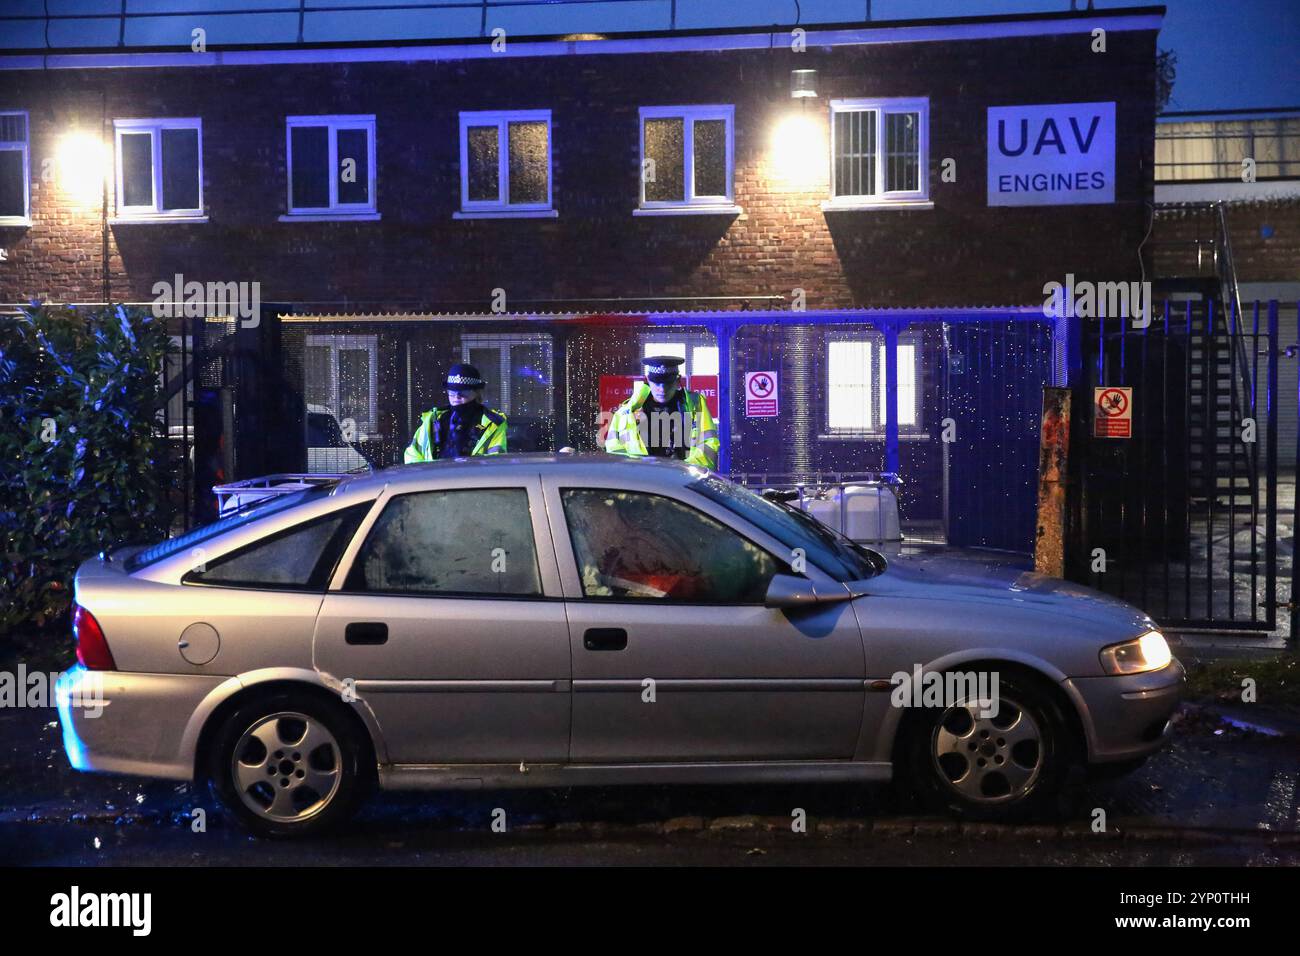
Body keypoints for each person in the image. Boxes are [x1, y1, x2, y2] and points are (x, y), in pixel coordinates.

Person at [604, 355, 719, 469]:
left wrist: (685, 470)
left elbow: (708, 445)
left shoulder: (695, 405)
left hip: (682, 481)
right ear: (648, 379)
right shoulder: (627, 411)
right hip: (641, 482)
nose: (662, 389)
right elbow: (614, 452)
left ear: (678, 380)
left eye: (668, 383)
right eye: (657, 382)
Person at [403, 363, 507, 462]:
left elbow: (495, 463)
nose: (456, 396)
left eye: (463, 392)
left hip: (472, 480)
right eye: (452, 392)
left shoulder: (492, 423)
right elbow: (412, 455)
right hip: (435, 479)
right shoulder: (433, 420)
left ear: (476, 393)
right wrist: (426, 478)